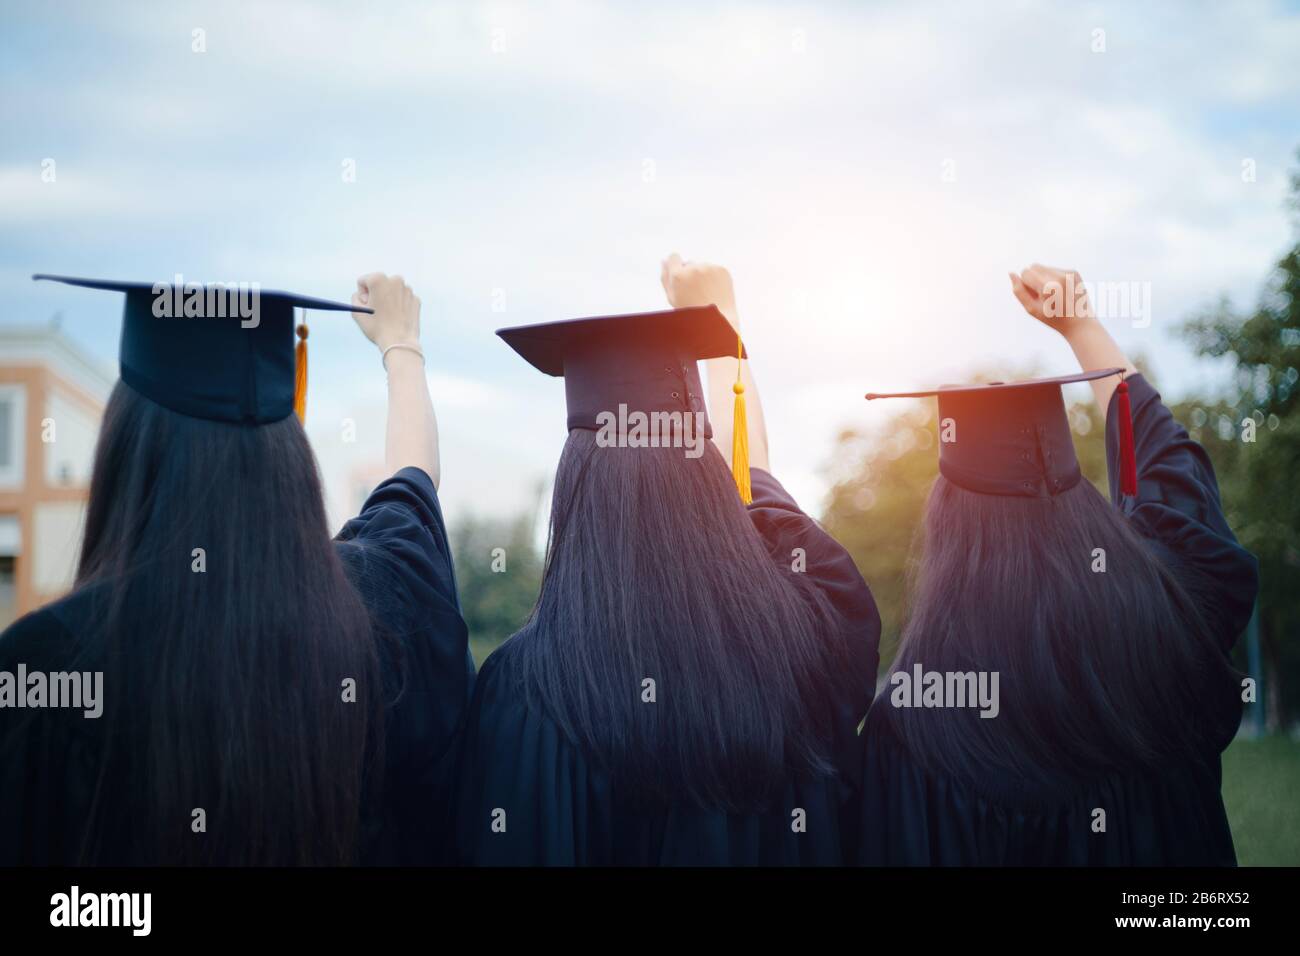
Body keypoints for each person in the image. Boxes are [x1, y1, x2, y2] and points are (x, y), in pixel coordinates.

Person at [0, 272, 471, 865]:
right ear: (289, 454)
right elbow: (411, 492)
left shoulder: (46, 667)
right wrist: (402, 349)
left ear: (126, 444)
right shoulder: (378, 614)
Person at [455, 255, 880, 865]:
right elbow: (757, 487)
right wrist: (726, 327)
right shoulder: (805, 645)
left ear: (575, 485)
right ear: (708, 478)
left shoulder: (522, 692)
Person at [853, 264, 1258, 865]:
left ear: (948, 526)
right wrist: (1080, 327)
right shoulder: (1174, 613)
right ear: (1082, 502)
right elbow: (1172, 480)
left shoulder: (918, 729)